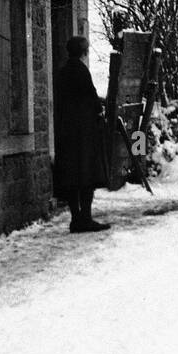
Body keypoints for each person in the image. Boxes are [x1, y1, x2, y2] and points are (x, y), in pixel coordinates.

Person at [54, 35, 110, 234]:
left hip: (66, 131)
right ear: (83, 51)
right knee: (87, 174)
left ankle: (75, 217)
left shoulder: (63, 72)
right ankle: (85, 218)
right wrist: (99, 111)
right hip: (83, 133)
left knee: (71, 175)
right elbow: (92, 98)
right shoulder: (81, 71)